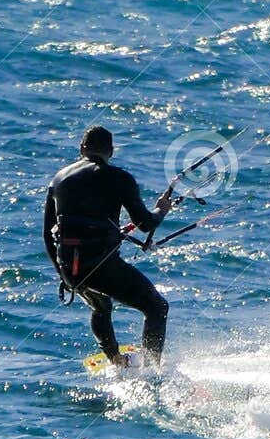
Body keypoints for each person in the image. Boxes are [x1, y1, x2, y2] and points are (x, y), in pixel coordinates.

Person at [43, 126, 176, 368]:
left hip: (69, 265)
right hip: (101, 265)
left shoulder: (58, 179)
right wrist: (162, 210)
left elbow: (46, 234)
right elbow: (145, 224)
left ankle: (115, 359)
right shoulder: (119, 178)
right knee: (157, 307)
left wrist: (63, 274)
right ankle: (151, 371)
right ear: (111, 152)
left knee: (100, 305)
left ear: (82, 148)